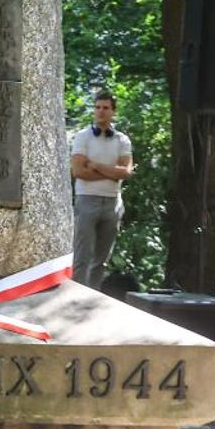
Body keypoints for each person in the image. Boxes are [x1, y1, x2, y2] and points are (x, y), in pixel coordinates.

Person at [69, 89, 133, 290]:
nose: (101, 112)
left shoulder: (122, 140)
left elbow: (126, 173)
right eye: (97, 107)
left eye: (105, 108)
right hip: (86, 199)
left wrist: (96, 166)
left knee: (101, 260)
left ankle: (92, 298)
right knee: (82, 256)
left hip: (113, 202)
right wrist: (112, 173)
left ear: (113, 111)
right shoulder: (82, 137)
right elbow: (78, 171)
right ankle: (75, 297)